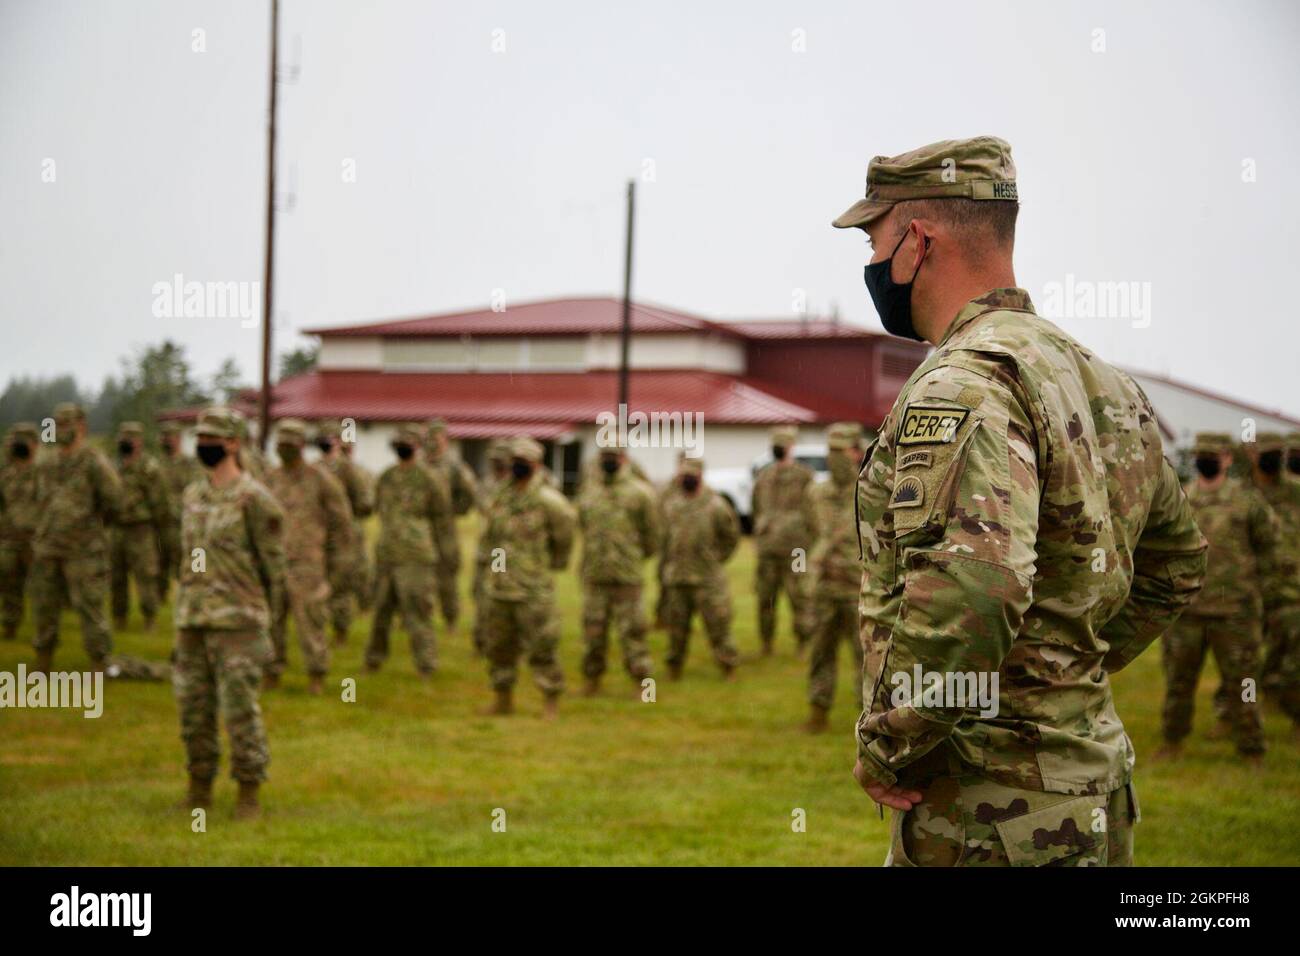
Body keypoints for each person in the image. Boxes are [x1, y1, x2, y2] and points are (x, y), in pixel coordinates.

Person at [833, 136, 1207, 866]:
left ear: (916, 241)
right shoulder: (1099, 379)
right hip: (1088, 785)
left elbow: (975, 589)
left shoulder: (961, 383)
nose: (872, 266)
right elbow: (1176, 564)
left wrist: (891, 741)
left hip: (991, 806)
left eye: (874, 241)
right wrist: (1059, 671)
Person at [173, 406, 285, 817]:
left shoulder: (256, 500)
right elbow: (187, 557)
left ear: (234, 443)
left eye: (212, 438)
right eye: (199, 437)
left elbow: (275, 571)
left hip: (239, 622)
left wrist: (266, 624)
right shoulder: (192, 495)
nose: (203, 445)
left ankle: (248, 794)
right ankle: (198, 788)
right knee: (193, 710)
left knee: (239, 711)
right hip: (193, 619)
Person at [1154, 432, 1274, 765]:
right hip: (1188, 609)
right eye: (1201, 454)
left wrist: (1255, 591)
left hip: (1235, 610)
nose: (1205, 459)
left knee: (1245, 683)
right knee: (1179, 681)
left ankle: (1252, 749)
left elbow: (1268, 546)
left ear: (1227, 458)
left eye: (1212, 454)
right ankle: (1171, 742)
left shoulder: (1246, 500)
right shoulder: (1181, 498)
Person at [478, 437, 575, 717]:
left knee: (543, 645)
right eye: (514, 462)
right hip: (500, 587)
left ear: (535, 465)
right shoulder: (500, 496)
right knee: (499, 648)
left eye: (523, 463)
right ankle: (502, 699)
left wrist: (552, 564)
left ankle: (550, 701)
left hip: (532, 587)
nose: (517, 467)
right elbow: (490, 536)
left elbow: (564, 535)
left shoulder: (548, 500)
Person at [29, 403, 125, 673]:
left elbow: (115, 500)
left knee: (90, 608)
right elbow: (38, 497)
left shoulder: (93, 460)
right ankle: (43, 662)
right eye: (56, 424)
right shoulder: (48, 460)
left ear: (81, 426)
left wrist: (92, 525)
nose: (60, 430)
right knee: (44, 607)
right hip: (48, 546)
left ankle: (98, 664)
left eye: (65, 425)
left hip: (83, 549)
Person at [264, 419, 353, 694]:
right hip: (275, 562)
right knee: (271, 622)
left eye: (290, 444)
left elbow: (342, 524)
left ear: (302, 446)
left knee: (311, 622)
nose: (285, 449)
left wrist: (338, 565)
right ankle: (271, 673)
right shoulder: (270, 479)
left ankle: (316, 675)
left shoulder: (321, 480)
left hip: (308, 564)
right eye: (281, 444)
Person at [366, 424, 457, 676]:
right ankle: (373, 660)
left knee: (418, 611)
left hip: (416, 554)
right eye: (398, 444)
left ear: (417, 446)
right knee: (381, 611)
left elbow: (442, 516)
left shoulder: (429, 478)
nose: (402, 448)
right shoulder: (386, 476)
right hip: (387, 553)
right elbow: (374, 507)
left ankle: (426, 666)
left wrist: (446, 552)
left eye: (406, 443)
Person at [576, 444, 659, 696]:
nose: (608, 461)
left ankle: (643, 685)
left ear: (624, 458)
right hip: (595, 574)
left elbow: (652, 536)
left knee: (633, 633)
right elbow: (583, 526)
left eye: (613, 456)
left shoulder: (640, 493)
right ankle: (592, 682)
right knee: (593, 633)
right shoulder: (589, 492)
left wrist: (631, 556)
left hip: (627, 576)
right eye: (605, 456)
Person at [802, 422, 867, 733]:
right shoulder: (817, 492)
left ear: (857, 452)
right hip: (825, 586)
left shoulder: (872, 491)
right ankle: (818, 714)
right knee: (820, 653)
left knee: (866, 660)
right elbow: (811, 531)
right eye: (830, 451)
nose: (834, 458)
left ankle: (868, 723)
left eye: (840, 451)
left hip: (861, 589)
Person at [660, 458, 741, 681]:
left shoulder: (716, 505)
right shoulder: (672, 505)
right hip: (678, 577)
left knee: (718, 626)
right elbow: (664, 537)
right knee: (676, 630)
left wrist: (716, 559)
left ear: (700, 476)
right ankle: (674, 668)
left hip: (707, 579)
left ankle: (728, 666)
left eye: (691, 474)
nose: (686, 478)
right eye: (683, 474)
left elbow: (731, 537)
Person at [1245, 432, 1300, 741]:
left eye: (1278, 452)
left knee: (1292, 656)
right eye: (1267, 452)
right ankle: (1236, 714)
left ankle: (1294, 714)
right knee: (1243, 659)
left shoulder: (1295, 492)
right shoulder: (1244, 495)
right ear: (1252, 454)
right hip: (1249, 588)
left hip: (1290, 591)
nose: (1274, 458)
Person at [751, 425, 814, 655]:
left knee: (799, 596)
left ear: (791, 448)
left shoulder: (804, 476)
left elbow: (812, 510)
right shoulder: (764, 476)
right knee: (765, 598)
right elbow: (756, 507)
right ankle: (766, 643)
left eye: (782, 445)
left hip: (795, 547)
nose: (778, 449)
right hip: (768, 547)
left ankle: (804, 642)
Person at [314, 420, 374, 646]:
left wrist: (347, 517)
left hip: (345, 535)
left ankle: (341, 631)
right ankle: (319, 629)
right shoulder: (314, 467)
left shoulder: (347, 468)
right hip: (318, 534)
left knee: (342, 583)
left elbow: (364, 501)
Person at [110, 421, 169, 633]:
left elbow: (160, 502)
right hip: (117, 530)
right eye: (123, 440)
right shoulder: (114, 467)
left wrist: (154, 525)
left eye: (130, 440)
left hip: (141, 530)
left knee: (145, 576)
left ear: (139, 442)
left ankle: (150, 618)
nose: (126, 444)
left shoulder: (149, 468)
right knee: (116, 577)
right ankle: (119, 617)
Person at [424, 418, 478, 632]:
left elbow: (469, 493)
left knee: (446, 577)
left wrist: (455, 510)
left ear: (445, 440)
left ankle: (451, 619)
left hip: (444, 531)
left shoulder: (454, 466)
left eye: (436, 437)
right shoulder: (419, 465)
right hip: (420, 530)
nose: (433, 442)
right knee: (417, 576)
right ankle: (417, 618)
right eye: (429, 437)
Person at [0, 423, 41, 641]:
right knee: (9, 585)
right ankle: (10, 626)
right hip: (9, 538)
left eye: (25, 442)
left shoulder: (43, 472)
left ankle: (42, 631)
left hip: (36, 539)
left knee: (41, 587)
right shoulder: (6, 474)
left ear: (35, 445)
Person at [471, 438, 512, 656]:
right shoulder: (485, 485)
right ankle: (480, 642)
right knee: (481, 596)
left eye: (501, 461)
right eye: (494, 461)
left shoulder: (515, 486)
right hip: (487, 550)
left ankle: (507, 644)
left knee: (504, 596)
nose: (497, 465)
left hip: (507, 553)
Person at [156, 420, 202, 599]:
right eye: (164, 437)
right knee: (158, 565)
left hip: (183, 523)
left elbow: (194, 492)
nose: (166, 441)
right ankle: (161, 598)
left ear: (179, 439)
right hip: (160, 524)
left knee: (188, 563)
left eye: (170, 437)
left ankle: (188, 595)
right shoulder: (157, 465)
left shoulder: (190, 464)